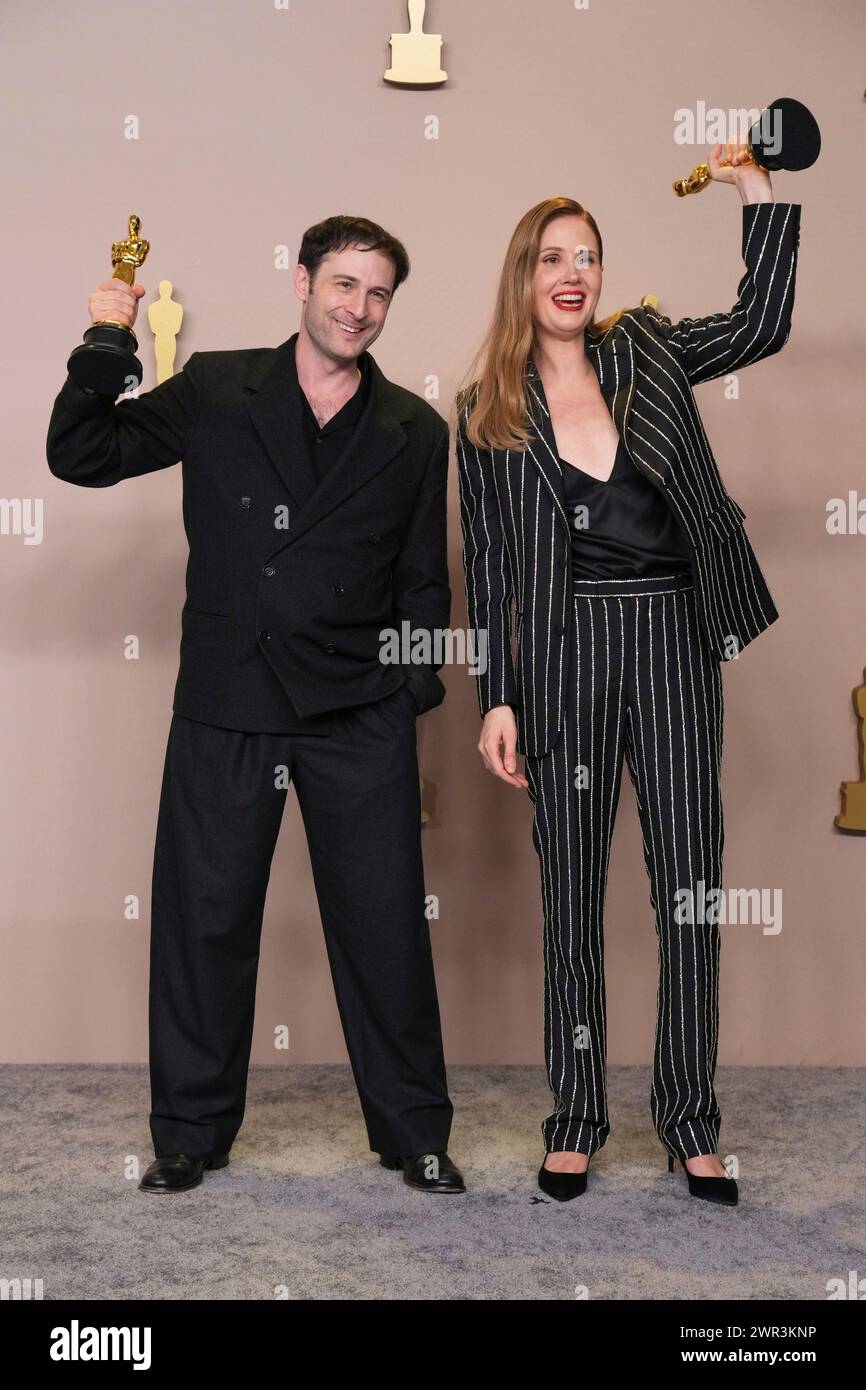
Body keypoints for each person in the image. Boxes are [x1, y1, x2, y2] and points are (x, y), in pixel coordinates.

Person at [47, 214, 465, 1196]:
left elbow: (421, 584)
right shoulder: (217, 389)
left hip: (357, 710)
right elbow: (83, 453)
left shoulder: (415, 428)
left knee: (384, 923)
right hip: (229, 699)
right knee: (204, 918)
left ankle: (412, 1131)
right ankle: (190, 1131)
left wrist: (411, 689)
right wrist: (106, 342)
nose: (358, 307)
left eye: (377, 293)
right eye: (343, 285)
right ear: (301, 281)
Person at [456, 143, 801, 1205]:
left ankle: (690, 1121)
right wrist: (497, 697)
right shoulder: (482, 411)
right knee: (569, 892)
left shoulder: (645, 348)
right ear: (522, 276)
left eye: (588, 257)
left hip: (671, 640)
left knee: (686, 886)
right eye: (552, 257)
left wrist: (756, 191)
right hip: (561, 660)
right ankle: (573, 1116)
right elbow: (493, 570)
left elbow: (758, 324)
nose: (573, 274)